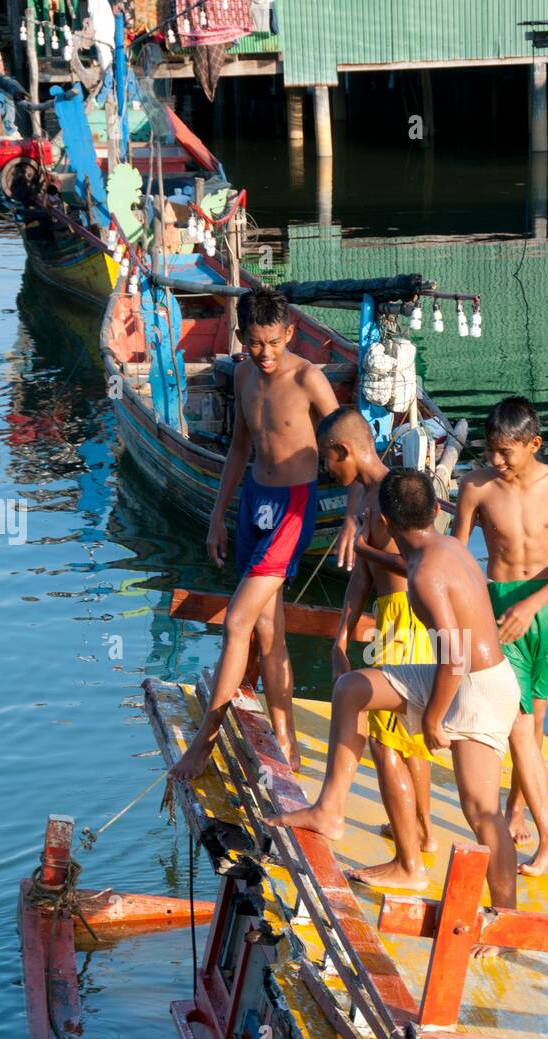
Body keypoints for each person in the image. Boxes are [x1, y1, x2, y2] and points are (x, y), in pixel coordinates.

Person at [273, 470, 521, 909]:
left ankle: (505, 914)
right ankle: (330, 809)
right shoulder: (446, 547)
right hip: (464, 671)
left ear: (385, 520)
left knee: (482, 812)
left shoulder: (426, 575)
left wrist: (432, 718)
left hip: (476, 687)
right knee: (352, 689)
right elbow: (409, 567)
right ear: (432, 511)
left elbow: (456, 656)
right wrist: (367, 552)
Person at [169, 288, 339, 783]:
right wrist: (218, 514)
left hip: (293, 509)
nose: (264, 354)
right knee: (269, 629)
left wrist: (356, 511)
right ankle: (284, 736)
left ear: (289, 334)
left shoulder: (309, 379)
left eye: (272, 342)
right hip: (252, 503)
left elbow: (349, 443)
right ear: (242, 336)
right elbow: (241, 447)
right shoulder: (243, 374)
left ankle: (204, 743)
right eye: (254, 343)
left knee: (236, 623)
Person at [453, 397, 548, 875]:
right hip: (500, 607)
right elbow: (459, 555)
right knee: (516, 724)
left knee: (535, 721)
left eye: (506, 453)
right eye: (491, 451)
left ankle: (515, 810)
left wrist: (532, 605)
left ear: (534, 444)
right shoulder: (475, 486)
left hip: (547, 608)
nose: (497, 461)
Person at [321, 407, 437, 891]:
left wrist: (363, 546)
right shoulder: (368, 496)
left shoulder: (396, 495)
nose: (328, 473)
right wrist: (342, 635)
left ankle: (408, 863)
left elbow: (418, 561)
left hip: (409, 621)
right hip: (393, 621)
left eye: (329, 462)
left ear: (346, 451)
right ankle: (423, 834)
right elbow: (361, 582)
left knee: (386, 740)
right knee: (406, 739)